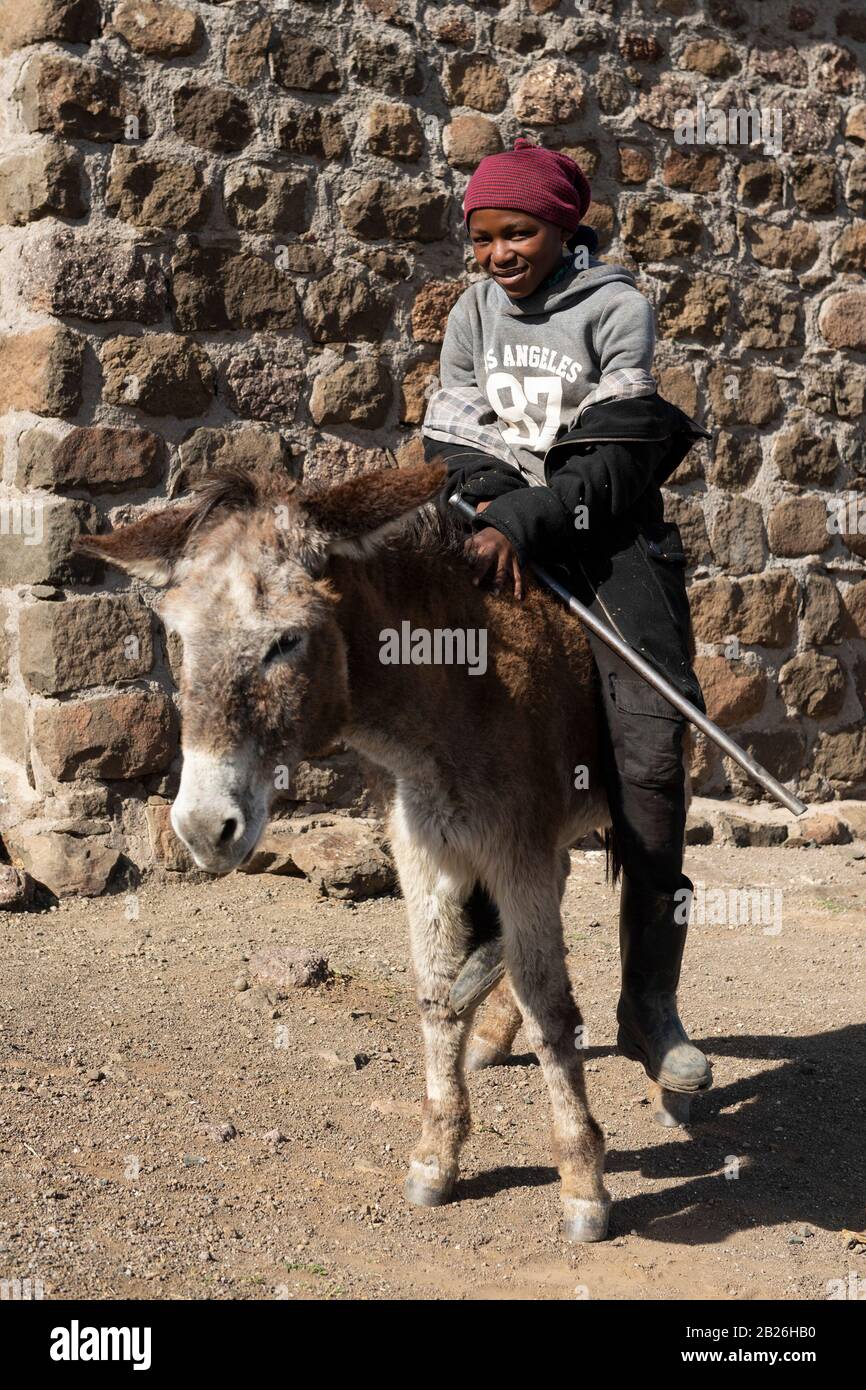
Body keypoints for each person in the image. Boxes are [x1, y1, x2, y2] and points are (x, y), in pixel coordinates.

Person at [421, 136, 712, 1095]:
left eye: (521, 233)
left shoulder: (617, 307)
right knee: (462, 723)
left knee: (651, 757)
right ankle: (492, 945)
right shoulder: (472, 310)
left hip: (609, 541)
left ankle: (649, 1007)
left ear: (562, 226)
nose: (501, 253)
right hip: (495, 530)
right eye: (485, 237)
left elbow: (621, 460)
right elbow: (451, 433)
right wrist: (493, 504)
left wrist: (528, 516)